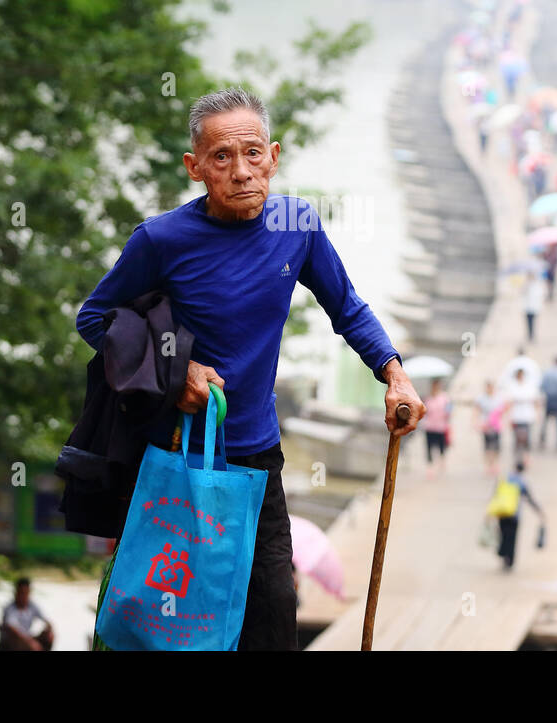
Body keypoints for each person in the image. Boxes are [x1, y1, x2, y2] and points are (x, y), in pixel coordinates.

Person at [76, 88, 426, 651]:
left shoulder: (297, 226)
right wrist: (178, 370)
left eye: (253, 154)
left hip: (257, 458)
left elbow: (348, 308)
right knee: (174, 618)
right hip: (176, 456)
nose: (241, 172)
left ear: (274, 156)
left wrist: (395, 374)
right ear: (195, 168)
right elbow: (94, 318)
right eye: (221, 158)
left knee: (273, 611)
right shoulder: (161, 240)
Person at [495, 460, 544, 571]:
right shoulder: (522, 483)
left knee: (503, 535)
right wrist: (539, 512)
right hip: (514, 515)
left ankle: (503, 555)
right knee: (512, 538)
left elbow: (496, 495)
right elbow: (530, 500)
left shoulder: (504, 479)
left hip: (502, 513)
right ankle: (509, 560)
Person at [0, 577, 54, 651]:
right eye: (21, 593)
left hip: (27, 638)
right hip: (13, 642)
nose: (23, 596)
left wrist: (48, 628)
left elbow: (45, 619)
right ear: (16, 592)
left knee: (50, 636)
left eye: (26, 593)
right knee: (27, 644)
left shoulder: (32, 606)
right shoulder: (10, 609)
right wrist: (30, 642)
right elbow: (13, 629)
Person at [505, 366, 539, 459]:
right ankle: (517, 457)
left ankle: (526, 456)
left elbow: (535, 401)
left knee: (527, 438)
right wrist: (508, 417)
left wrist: (537, 414)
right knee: (516, 438)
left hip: (527, 415)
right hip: (516, 416)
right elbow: (509, 403)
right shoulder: (512, 387)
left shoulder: (529, 386)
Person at [421, 378, 452, 477]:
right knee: (429, 447)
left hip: (441, 426)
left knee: (441, 446)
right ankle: (430, 469)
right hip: (429, 426)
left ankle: (441, 462)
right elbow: (424, 411)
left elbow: (449, 409)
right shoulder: (427, 398)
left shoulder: (445, 397)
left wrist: (447, 415)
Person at [539, 356, 557, 451]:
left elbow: (542, 386)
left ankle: (542, 439)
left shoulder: (547, 373)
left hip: (549, 399)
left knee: (545, 421)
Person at [474, 379, 503, 476]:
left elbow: (502, 410)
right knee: (487, 446)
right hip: (486, 425)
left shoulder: (498, 398)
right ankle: (488, 464)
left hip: (496, 425)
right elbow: (477, 410)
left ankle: (495, 464)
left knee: (496, 446)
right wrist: (476, 422)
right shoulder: (481, 398)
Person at [523, 271, 544, 343]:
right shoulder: (526, 285)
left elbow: (540, 295)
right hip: (527, 307)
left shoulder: (537, 285)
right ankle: (529, 335)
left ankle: (532, 335)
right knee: (528, 322)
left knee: (533, 322)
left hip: (534, 307)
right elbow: (522, 294)